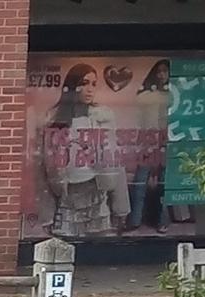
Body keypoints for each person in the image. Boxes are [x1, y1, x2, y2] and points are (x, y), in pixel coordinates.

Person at [41, 63, 127, 239]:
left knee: (99, 243)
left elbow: (115, 160)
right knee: (65, 243)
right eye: (85, 83)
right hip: (68, 194)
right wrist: (46, 215)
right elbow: (43, 168)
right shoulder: (55, 118)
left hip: (97, 190)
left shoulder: (103, 117)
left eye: (94, 84)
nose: (90, 89)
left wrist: (121, 207)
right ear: (73, 86)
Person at [123, 60, 171, 233]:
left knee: (165, 184)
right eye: (158, 71)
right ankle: (135, 220)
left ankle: (162, 221)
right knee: (140, 183)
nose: (161, 75)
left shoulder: (174, 95)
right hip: (148, 141)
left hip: (168, 141)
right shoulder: (145, 96)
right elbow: (138, 117)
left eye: (165, 71)